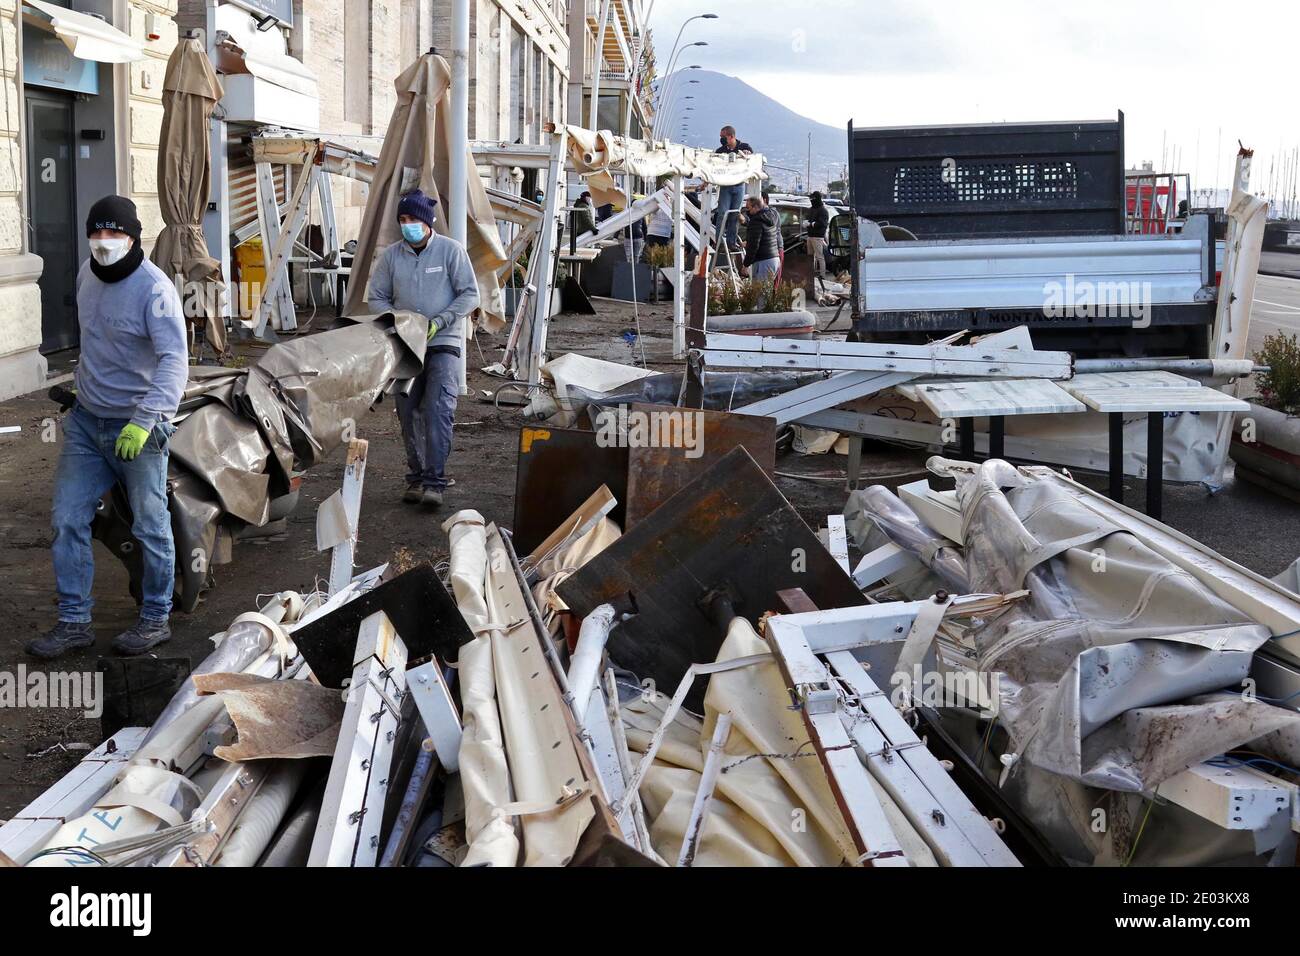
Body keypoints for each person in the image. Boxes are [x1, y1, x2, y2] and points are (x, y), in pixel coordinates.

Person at [27, 196, 187, 661]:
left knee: (150, 525)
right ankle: (75, 622)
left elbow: (175, 362)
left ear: (134, 236)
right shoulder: (85, 274)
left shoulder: (155, 290)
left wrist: (144, 421)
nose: (103, 242)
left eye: (114, 233)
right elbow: (96, 343)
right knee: (67, 519)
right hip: (86, 424)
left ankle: (156, 617)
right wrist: (78, 389)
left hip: (137, 428)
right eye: (96, 233)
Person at [368, 189, 480, 509]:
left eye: (413, 219)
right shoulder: (391, 256)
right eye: (403, 220)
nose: (408, 225)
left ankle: (435, 481)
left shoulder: (451, 252)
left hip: (443, 343)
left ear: (428, 221)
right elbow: (376, 297)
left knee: (438, 409)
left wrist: (441, 320)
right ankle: (416, 477)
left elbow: (469, 294)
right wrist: (398, 323)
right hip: (406, 346)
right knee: (407, 410)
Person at [713, 125, 753, 249]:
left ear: (731, 137)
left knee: (735, 214)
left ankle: (731, 242)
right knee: (722, 214)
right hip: (726, 185)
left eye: (723, 137)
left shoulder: (744, 147)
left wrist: (748, 154)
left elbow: (751, 158)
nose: (721, 139)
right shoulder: (720, 151)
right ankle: (719, 242)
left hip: (739, 185)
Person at [741, 194, 782, 283]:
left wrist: (745, 265)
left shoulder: (756, 221)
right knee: (764, 293)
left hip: (764, 260)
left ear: (755, 207)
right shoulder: (769, 217)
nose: (747, 212)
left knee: (760, 294)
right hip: (774, 258)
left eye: (748, 208)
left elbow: (753, 246)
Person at [806, 191, 830, 277]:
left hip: (818, 237)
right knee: (811, 257)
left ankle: (822, 275)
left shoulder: (823, 210)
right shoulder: (812, 209)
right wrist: (806, 222)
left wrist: (811, 224)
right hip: (810, 236)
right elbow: (809, 219)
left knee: (820, 257)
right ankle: (811, 274)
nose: (811, 200)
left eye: (813, 198)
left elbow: (823, 224)